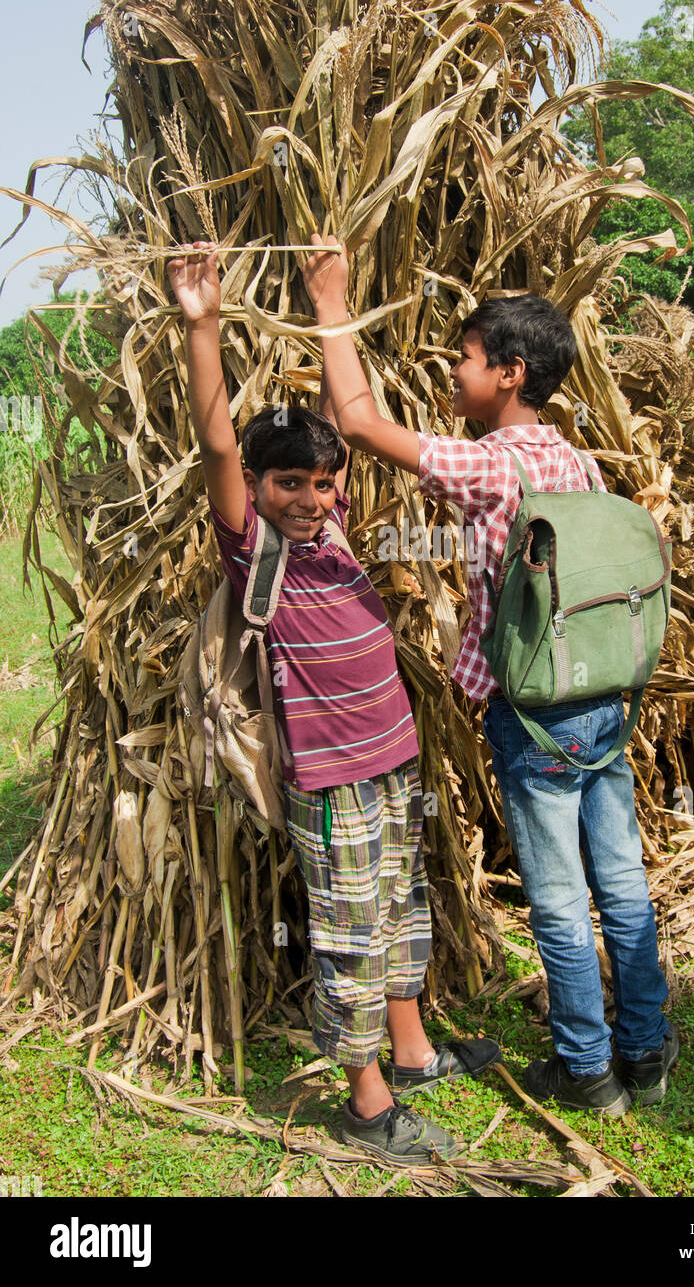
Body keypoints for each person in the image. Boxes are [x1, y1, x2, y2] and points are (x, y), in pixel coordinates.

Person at [302, 232, 678, 1115]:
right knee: (621, 882)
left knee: (557, 894)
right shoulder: (575, 460)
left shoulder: (487, 465)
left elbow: (356, 424)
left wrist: (330, 302)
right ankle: (649, 1054)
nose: (454, 377)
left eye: (465, 362)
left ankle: (586, 1070)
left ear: (508, 372)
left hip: (533, 714)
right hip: (602, 707)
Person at [168, 242, 500, 1163]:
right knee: (351, 933)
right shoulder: (254, 548)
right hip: (332, 776)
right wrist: (203, 325)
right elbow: (219, 443)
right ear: (258, 495)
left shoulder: (334, 524)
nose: (312, 497)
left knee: (399, 908)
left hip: (392, 758)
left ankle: (414, 1050)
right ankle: (364, 1106)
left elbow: (340, 426)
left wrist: (331, 301)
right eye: (291, 485)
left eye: (323, 484)